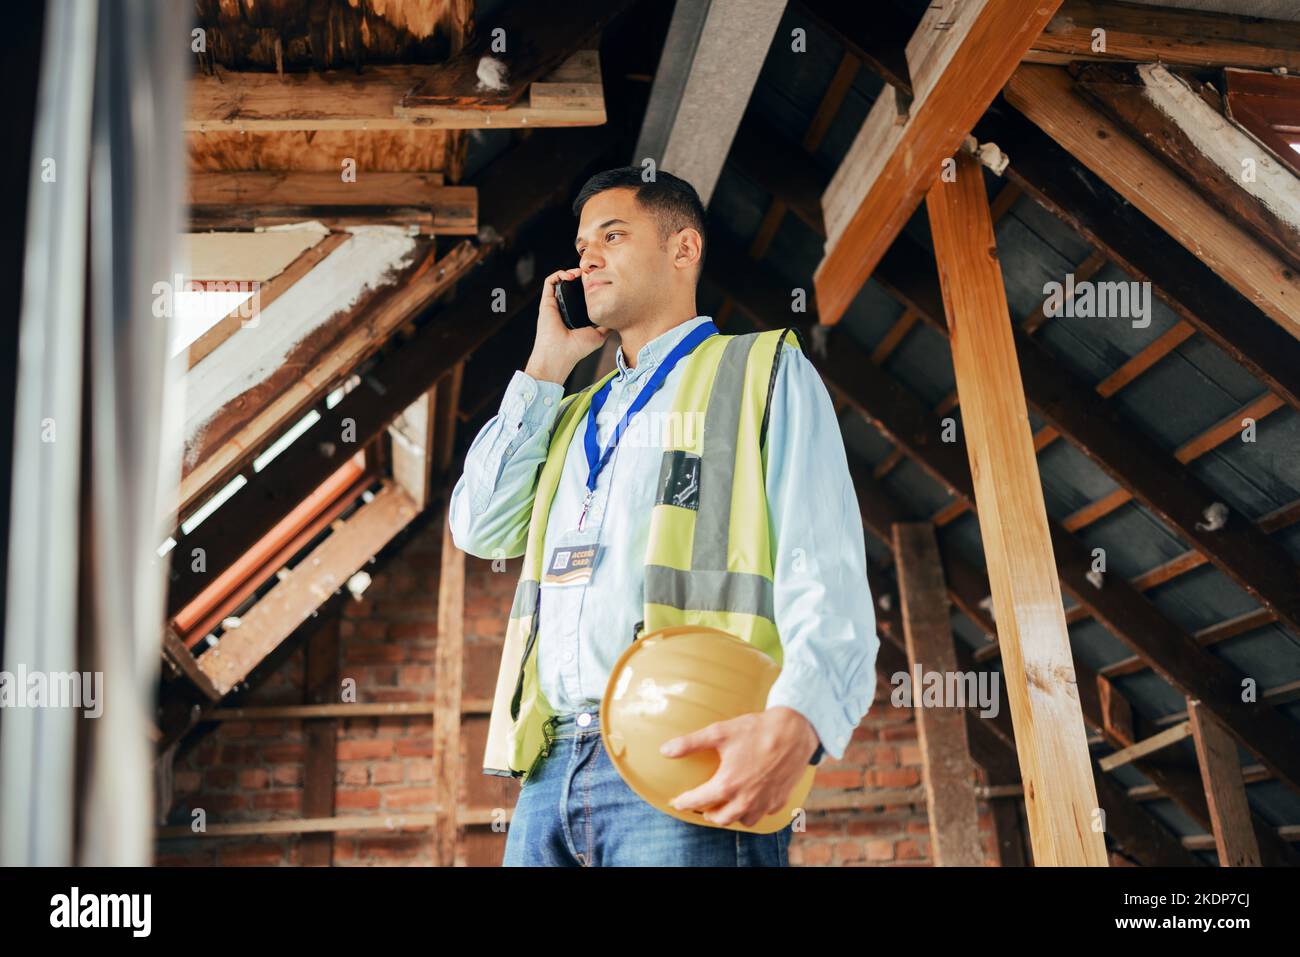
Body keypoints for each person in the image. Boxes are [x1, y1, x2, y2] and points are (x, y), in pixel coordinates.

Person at [449, 167, 878, 866]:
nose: (586, 257)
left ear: (684, 251)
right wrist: (544, 369)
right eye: (582, 243)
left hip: (690, 750)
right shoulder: (568, 413)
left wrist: (801, 719)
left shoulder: (760, 370)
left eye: (611, 236)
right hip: (548, 771)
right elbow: (478, 525)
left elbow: (820, 564)